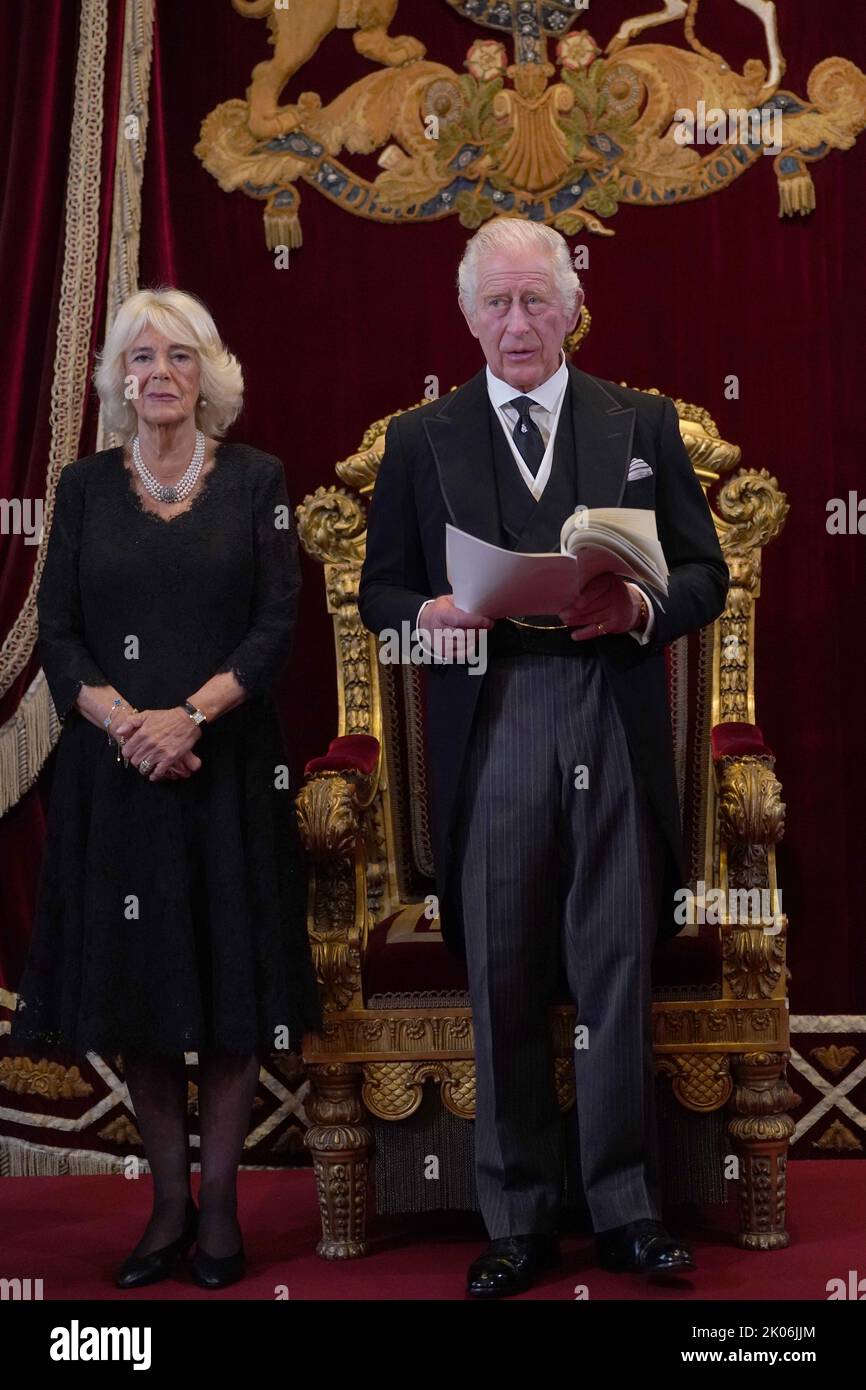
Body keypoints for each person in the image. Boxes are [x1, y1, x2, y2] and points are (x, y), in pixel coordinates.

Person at [358, 218, 729, 1298]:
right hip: (494, 718)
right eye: (496, 304)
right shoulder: (420, 437)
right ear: (466, 315)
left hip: (608, 711)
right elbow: (380, 591)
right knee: (507, 971)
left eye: (535, 301)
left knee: (615, 965)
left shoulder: (641, 422)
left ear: (571, 306)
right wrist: (427, 611)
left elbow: (703, 575)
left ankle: (621, 1210)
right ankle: (514, 1218)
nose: (516, 324)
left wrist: (641, 602)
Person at [10, 287, 322, 1291]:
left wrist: (191, 716)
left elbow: (277, 622)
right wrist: (128, 726)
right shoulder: (86, 489)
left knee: (230, 994)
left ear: (209, 373)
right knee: (143, 998)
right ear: (118, 379)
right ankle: (167, 1205)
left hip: (226, 770)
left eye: (177, 355)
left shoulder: (258, 480)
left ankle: (222, 1209)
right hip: (119, 781)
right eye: (139, 358)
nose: (158, 374)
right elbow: (57, 630)